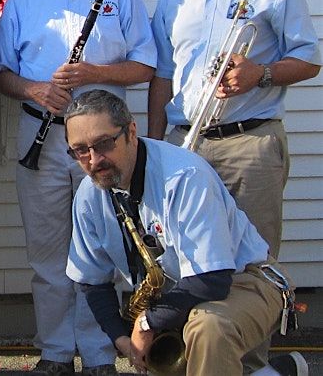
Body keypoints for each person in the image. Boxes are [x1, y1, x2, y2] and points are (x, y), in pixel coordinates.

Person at [0, 0, 155, 376]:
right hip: (39, 135)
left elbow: (145, 65)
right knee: (47, 254)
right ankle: (57, 352)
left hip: (104, 141)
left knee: (104, 247)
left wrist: (93, 73)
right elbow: (0, 72)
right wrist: (35, 89)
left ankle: (102, 353)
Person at [65, 90, 308, 376]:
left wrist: (147, 323)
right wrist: (122, 339)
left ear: (131, 131)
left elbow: (212, 280)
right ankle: (278, 372)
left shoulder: (184, 176)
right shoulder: (88, 194)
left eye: (104, 143)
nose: (93, 161)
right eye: (80, 150)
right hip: (177, 296)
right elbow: (93, 283)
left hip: (244, 280)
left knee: (208, 327)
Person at [148, 0, 321, 258]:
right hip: (186, 143)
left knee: (255, 258)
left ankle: (262, 318)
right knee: (187, 254)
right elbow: (163, 74)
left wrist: (260, 74)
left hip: (250, 146)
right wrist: (155, 145)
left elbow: (309, 60)